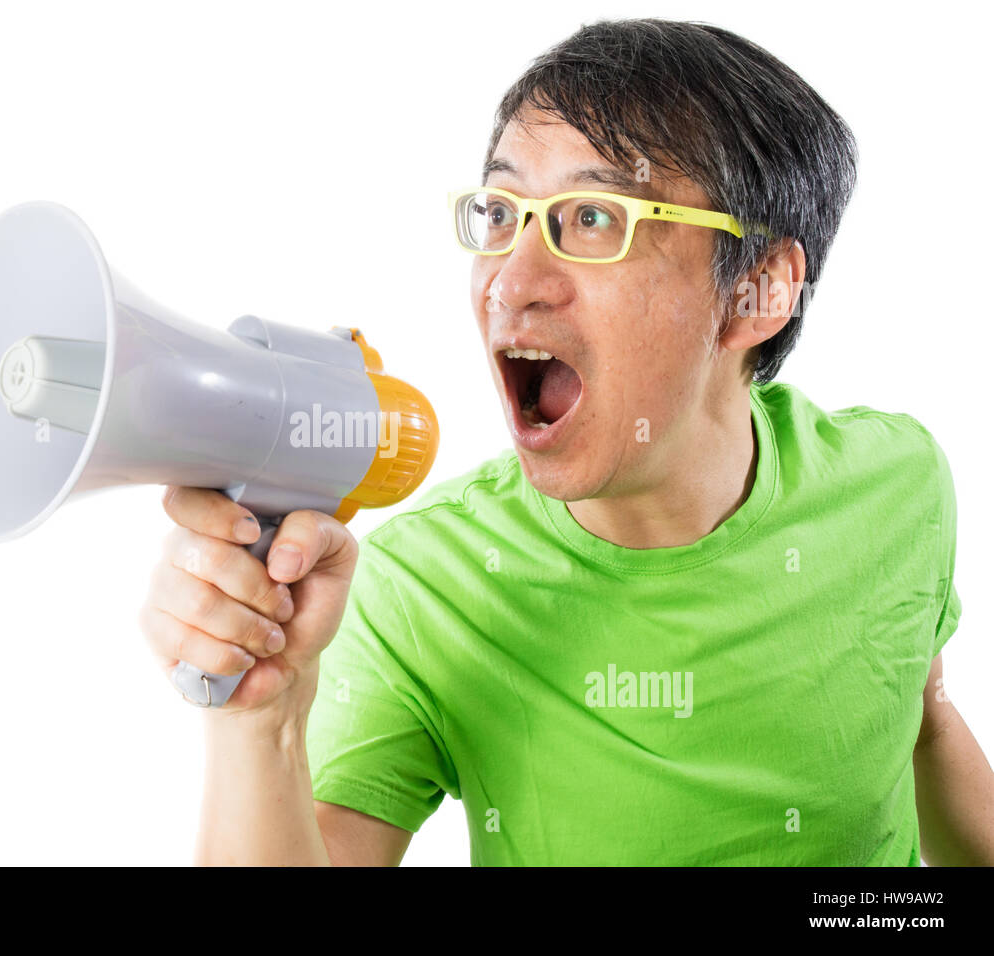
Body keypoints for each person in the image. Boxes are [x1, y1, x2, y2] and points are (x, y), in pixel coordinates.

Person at [138, 17, 993, 865]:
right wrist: (263, 721)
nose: (511, 282)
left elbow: (925, 716)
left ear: (758, 291)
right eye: (504, 211)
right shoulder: (422, 583)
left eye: (593, 217)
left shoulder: (900, 480)